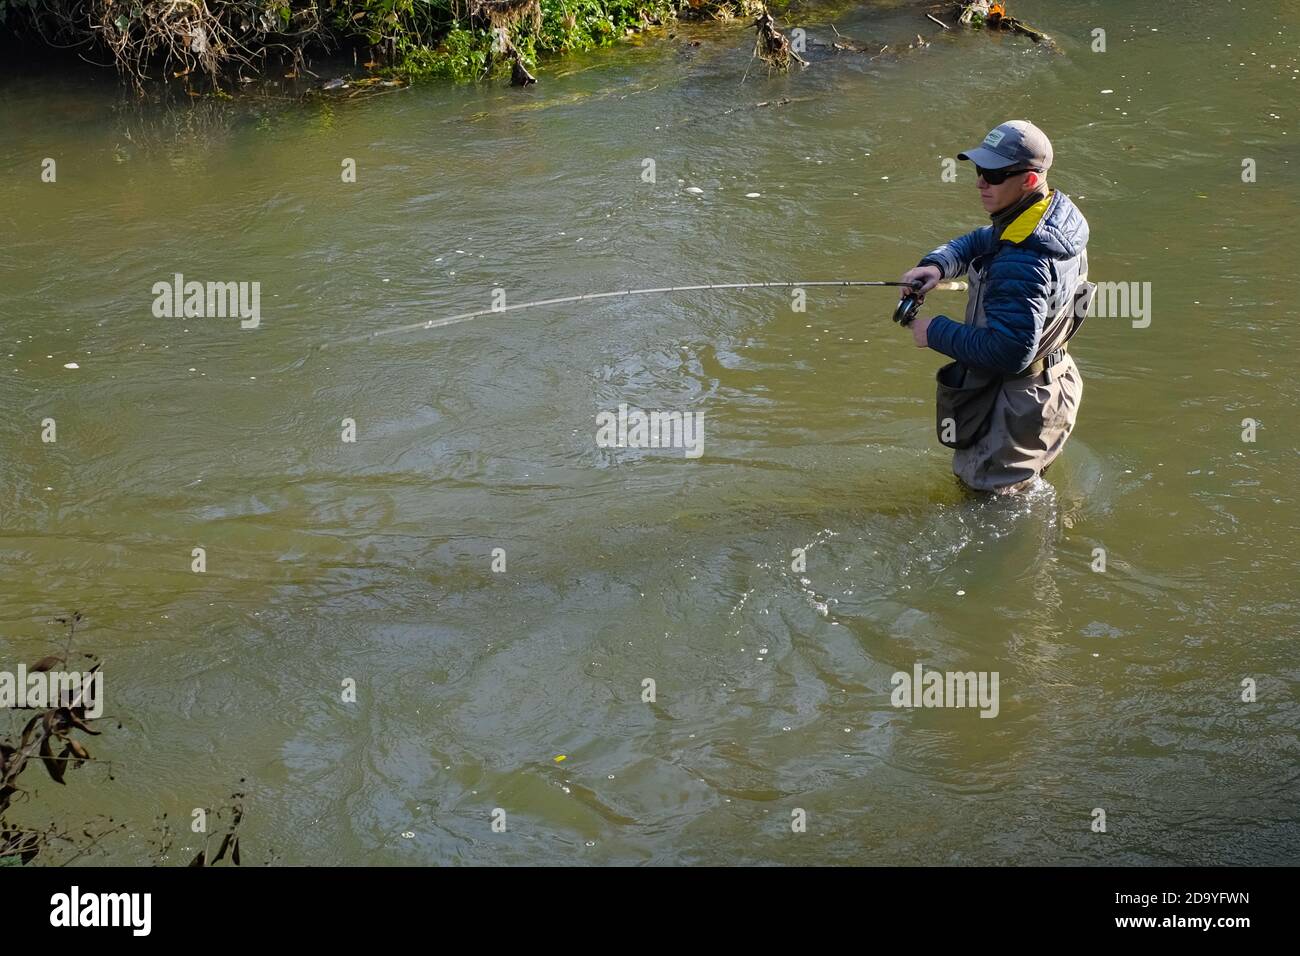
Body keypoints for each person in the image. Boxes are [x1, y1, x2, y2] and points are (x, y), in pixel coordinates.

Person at [899, 120, 1094, 495]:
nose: (980, 183)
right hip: (1053, 387)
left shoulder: (1023, 258)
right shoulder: (1050, 217)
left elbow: (1009, 352)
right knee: (1023, 492)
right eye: (978, 171)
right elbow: (982, 239)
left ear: (1030, 181)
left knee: (989, 509)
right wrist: (938, 265)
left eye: (993, 174)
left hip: (1017, 406)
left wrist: (933, 331)